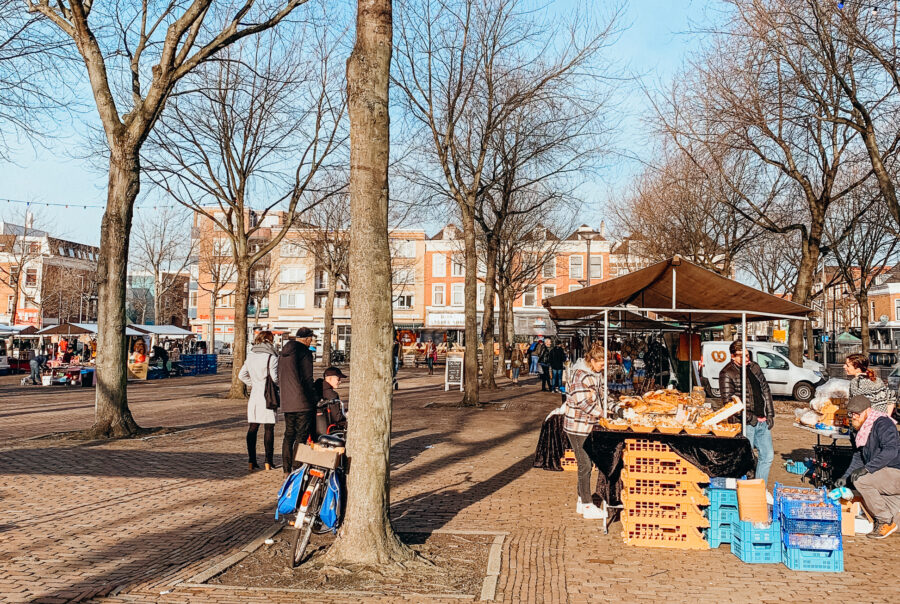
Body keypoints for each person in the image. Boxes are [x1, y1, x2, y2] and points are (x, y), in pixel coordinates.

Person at [835, 395, 900, 539]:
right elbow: (858, 456)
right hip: (883, 475)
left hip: (895, 471)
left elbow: (891, 450)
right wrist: (845, 477)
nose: (854, 417)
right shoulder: (858, 430)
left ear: (867, 411)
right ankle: (890, 519)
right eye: (851, 413)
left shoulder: (883, 424)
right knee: (896, 519)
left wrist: (867, 469)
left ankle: (884, 521)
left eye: (857, 413)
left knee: (862, 481)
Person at [719, 339, 775, 483]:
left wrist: (770, 414)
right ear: (732, 355)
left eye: (747, 355)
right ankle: (743, 487)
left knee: (767, 456)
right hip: (745, 422)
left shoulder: (755, 367)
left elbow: (765, 390)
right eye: (741, 355)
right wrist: (750, 418)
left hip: (762, 420)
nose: (746, 358)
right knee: (745, 458)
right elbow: (729, 403)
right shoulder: (727, 372)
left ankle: (759, 486)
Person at [564, 341, 608, 520]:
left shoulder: (596, 376)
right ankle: (587, 504)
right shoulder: (580, 376)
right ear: (591, 361)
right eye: (601, 363)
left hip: (588, 426)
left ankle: (582, 500)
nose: (603, 367)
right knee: (585, 465)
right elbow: (582, 402)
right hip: (577, 426)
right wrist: (602, 413)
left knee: (586, 463)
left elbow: (602, 395)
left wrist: (614, 407)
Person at [278, 327, 318, 474]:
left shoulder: (283, 353)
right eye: (311, 339)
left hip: (287, 401)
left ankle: (286, 468)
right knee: (301, 435)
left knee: (289, 434)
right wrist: (313, 397)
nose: (311, 341)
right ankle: (297, 467)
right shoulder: (305, 353)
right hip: (302, 401)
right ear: (307, 339)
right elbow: (307, 378)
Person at [238, 331, 279, 471]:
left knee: (253, 427)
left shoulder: (250, 356)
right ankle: (268, 461)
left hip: (254, 395)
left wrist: (253, 383)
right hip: (268, 395)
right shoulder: (271, 357)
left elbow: (241, 375)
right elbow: (274, 377)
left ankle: (251, 460)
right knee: (269, 428)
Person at [315, 366, 348, 436]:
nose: (340, 382)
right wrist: (347, 414)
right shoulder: (332, 395)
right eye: (338, 379)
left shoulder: (317, 390)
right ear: (329, 379)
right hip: (331, 428)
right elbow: (337, 417)